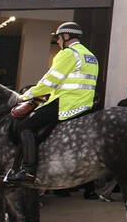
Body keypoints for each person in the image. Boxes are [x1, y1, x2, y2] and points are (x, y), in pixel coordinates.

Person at [6, 22, 99, 185]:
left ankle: (28, 170)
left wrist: (24, 97)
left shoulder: (68, 54)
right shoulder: (91, 56)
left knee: (24, 126)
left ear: (66, 36)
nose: (57, 41)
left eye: (58, 37)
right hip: (85, 103)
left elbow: (49, 83)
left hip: (66, 102)